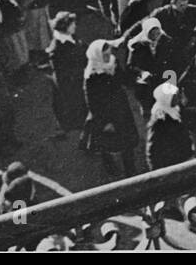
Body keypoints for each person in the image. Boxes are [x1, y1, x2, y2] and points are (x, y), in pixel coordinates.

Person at [81, 39, 139, 178]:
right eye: (105, 55)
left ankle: (130, 171)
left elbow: (122, 78)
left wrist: (136, 78)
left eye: (109, 53)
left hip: (121, 108)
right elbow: (92, 102)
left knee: (127, 141)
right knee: (107, 143)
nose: (108, 57)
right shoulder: (92, 75)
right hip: (106, 114)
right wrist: (105, 122)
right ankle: (109, 164)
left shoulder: (113, 62)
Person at [46, 11, 86, 136]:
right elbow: (62, 73)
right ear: (65, 27)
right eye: (72, 24)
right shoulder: (58, 48)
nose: (75, 26)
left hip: (77, 80)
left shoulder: (70, 37)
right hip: (71, 85)